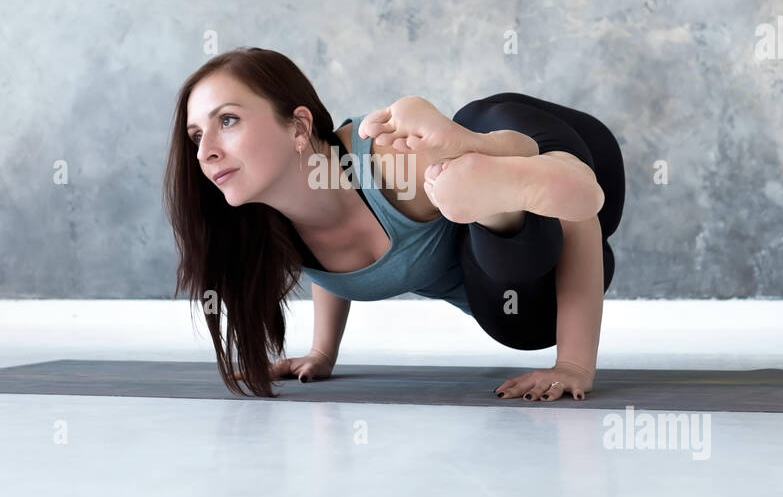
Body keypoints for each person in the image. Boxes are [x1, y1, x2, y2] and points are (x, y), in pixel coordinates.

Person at [164, 47, 625, 402]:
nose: (206, 151)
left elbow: (579, 215)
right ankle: (490, 174)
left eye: (227, 120)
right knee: (516, 319)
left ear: (299, 127)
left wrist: (573, 366)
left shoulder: (392, 162)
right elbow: (330, 245)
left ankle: (488, 150)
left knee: (507, 260)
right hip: (529, 250)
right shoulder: (274, 221)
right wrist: (323, 353)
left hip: (574, 157)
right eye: (197, 135)